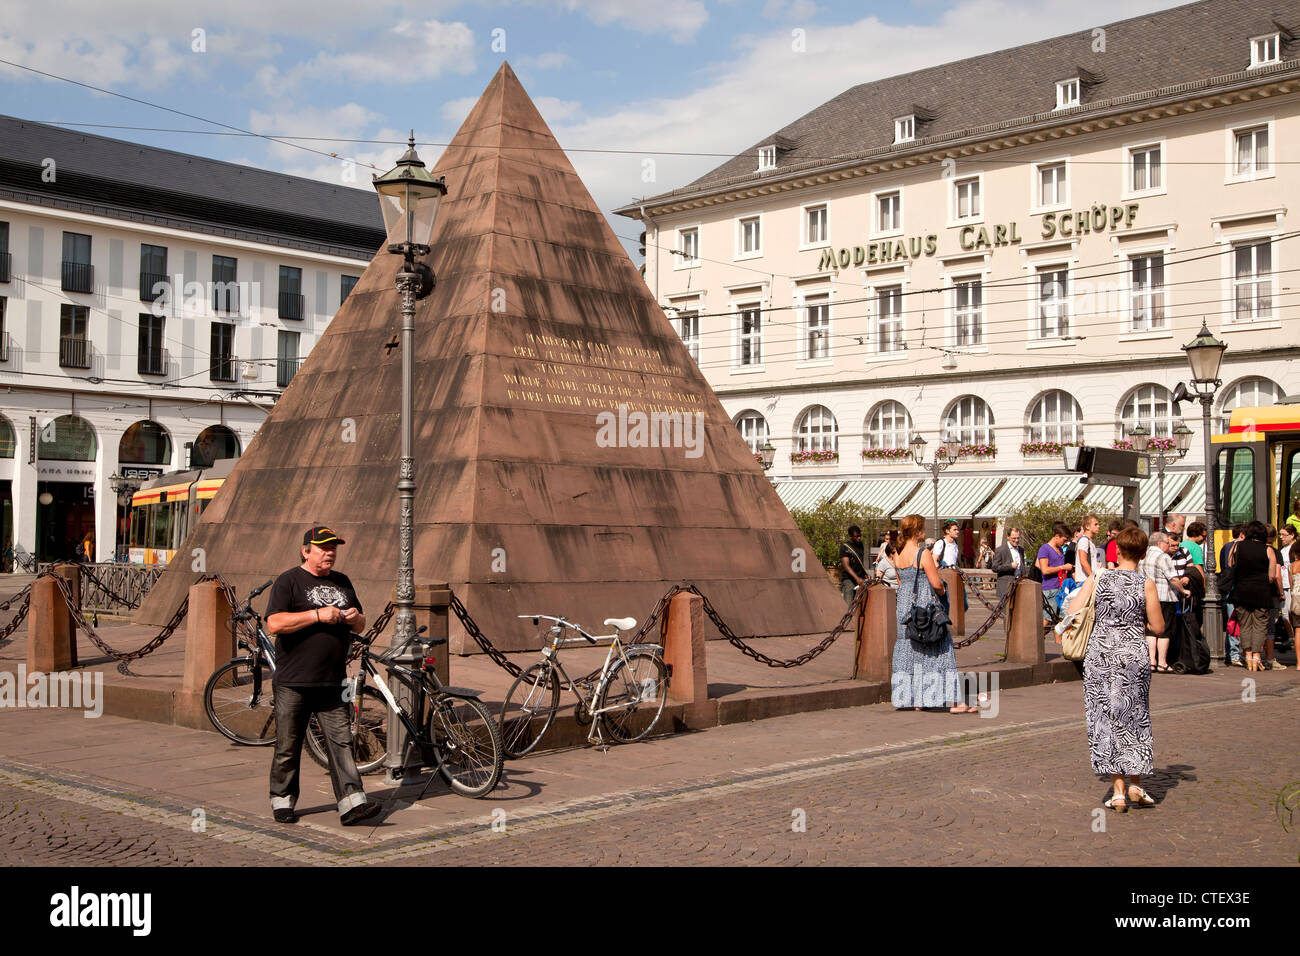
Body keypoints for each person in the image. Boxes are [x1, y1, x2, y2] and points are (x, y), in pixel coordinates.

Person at [266, 526, 381, 826]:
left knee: (342, 743)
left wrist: (356, 619)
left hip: (334, 681)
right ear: (306, 550)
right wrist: (317, 615)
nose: (330, 552)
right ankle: (283, 799)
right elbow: (274, 624)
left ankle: (352, 803)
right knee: (287, 745)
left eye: (333, 548)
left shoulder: (342, 581)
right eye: (323, 547)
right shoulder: (288, 581)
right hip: (294, 681)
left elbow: (361, 623)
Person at [1072, 525, 1162, 812]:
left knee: (1105, 718)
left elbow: (1073, 610)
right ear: (1144, 554)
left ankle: (1119, 792)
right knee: (1134, 715)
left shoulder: (1100, 578)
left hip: (1101, 656)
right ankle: (1135, 783)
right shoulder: (1145, 583)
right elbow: (1159, 626)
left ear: (1118, 550)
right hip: (1133, 656)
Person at [892, 513, 977, 714]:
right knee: (939, 648)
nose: (925, 532)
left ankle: (913, 699)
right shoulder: (923, 553)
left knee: (910, 651)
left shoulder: (898, 552)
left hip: (905, 605)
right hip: (924, 605)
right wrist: (943, 592)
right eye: (923, 528)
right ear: (917, 531)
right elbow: (936, 583)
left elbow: (901, 582)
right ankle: (955, 702)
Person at [1230, 521, 1280, 672]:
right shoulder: (1268, 550)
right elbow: (1272, 576)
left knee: (1245, 625)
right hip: (1262, 592)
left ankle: (1248, 656)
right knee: (1260, 625)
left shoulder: (1237, 546)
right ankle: (1257, 657)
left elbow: (1230, 565)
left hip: (1241, 591)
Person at [1139, 531, 1188, 673]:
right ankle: (1162, 662)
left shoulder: (1143, 556)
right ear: (1159, 543)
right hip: (1165, 597)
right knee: (1165, 630)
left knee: (1150, 629)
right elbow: (1172, 578)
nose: (1168, 545)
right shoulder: (1163, 557)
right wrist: (1183, 591)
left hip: (1148, 597)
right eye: (1167, 542)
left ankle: (1151, 661)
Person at [1220, 524, 1247, 666]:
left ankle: (1230, 652)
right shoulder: (1238, 548)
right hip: (1235, 588)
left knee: (1232, 621)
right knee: (1235, 622)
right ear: (1242, 534)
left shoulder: (1225, 547)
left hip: (1228, 588)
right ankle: (1234, 654)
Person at [1036, 522, 1073, 620]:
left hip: (1061, 588)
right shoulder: (1045, 549)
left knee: (1061, 621)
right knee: (1047, 619)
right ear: (1057, 536)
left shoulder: (1060, 549)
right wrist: (1063, 567)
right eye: (1064, 540)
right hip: (1050, 589)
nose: (1065, 543)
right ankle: (1038, 635)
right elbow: (1045, 570)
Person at [991, 526, 1025, 601]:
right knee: (1005, 612)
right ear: (1008, 537)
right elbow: (994, 567)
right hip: (1005, 587)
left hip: (1019, 586)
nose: (1016, 540)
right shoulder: (1001, 550)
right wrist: (1010, 566)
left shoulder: (1021, 550)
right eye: (1014, 538)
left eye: (1018, 538)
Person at [839, 525, 868, 606]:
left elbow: (860, 562)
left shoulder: (860, 544)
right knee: (848, 605)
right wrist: (856, 578)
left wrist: (865, 574)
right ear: (850, 536)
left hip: (860, 578)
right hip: (849, 579)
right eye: (856, 536)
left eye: (859, 536)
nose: (859, 538)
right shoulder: (845, 547)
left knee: (861, 604)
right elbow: (846, 566)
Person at [1074, 514, 1100, 583]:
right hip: (1084, 580)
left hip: (1088, 580)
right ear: (1087, 526)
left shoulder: (1089, 542)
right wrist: (1092, 576)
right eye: (1095, 524)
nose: (1098, 526)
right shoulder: (1084, 541)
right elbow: (1083, 560)